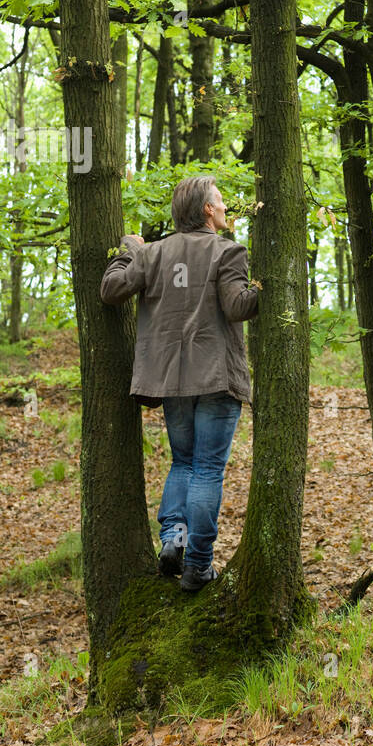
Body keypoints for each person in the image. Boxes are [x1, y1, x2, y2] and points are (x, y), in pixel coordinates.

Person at [100, 176, 260, 591]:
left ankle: (174, 539)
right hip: (217, 378)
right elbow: (238, 307)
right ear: (207, 209)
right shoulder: (228, 252)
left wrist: (129, 250)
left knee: (184, 463)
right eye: (220, 201)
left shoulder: (153, 253)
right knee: (206, 469)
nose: (225, 208)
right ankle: (198, 565)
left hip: (173, 380)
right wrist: (267, 284)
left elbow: (111, 289)